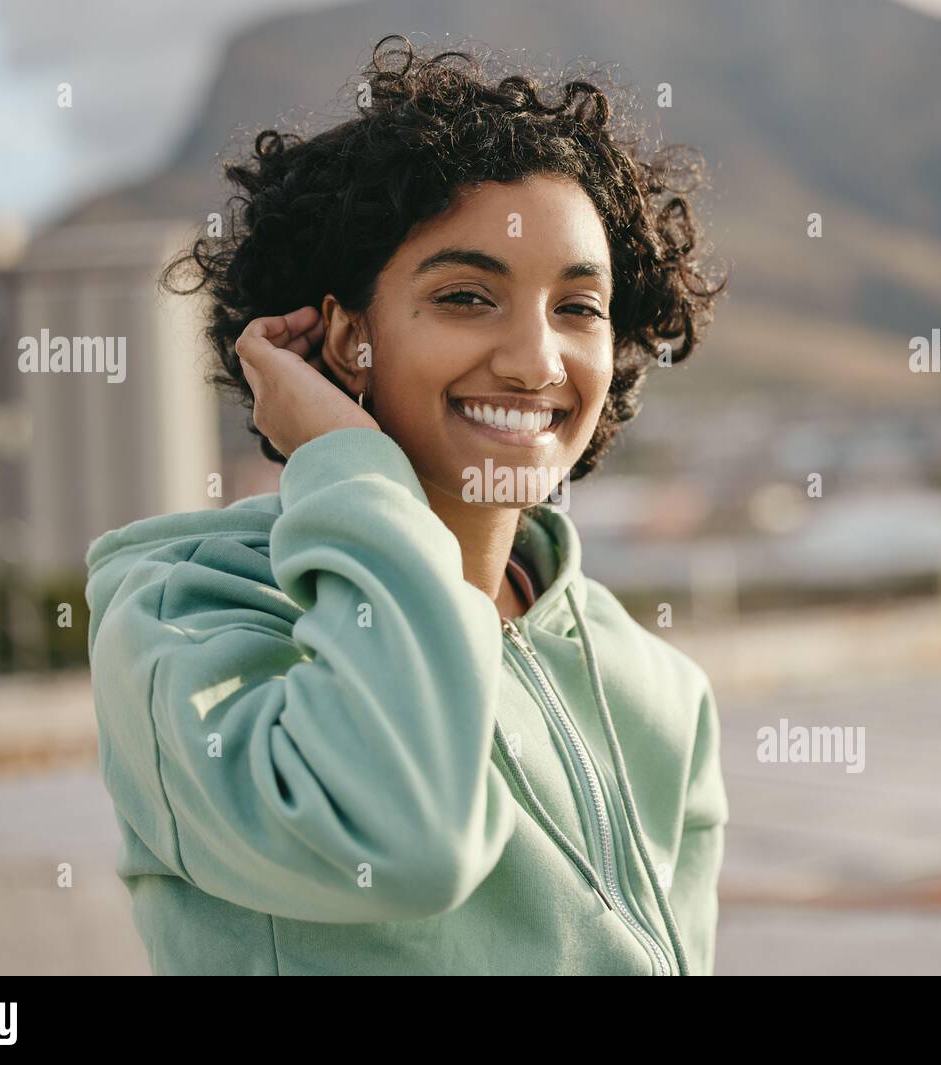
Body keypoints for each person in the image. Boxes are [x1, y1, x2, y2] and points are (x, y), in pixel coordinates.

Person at [85, 33, 729, 975]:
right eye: (468, 295)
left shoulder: (661, 690)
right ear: (347, 337)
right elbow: (405, 839)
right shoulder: (186, 626)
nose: (535, 361)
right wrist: (345, 460)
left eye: (578, 307)